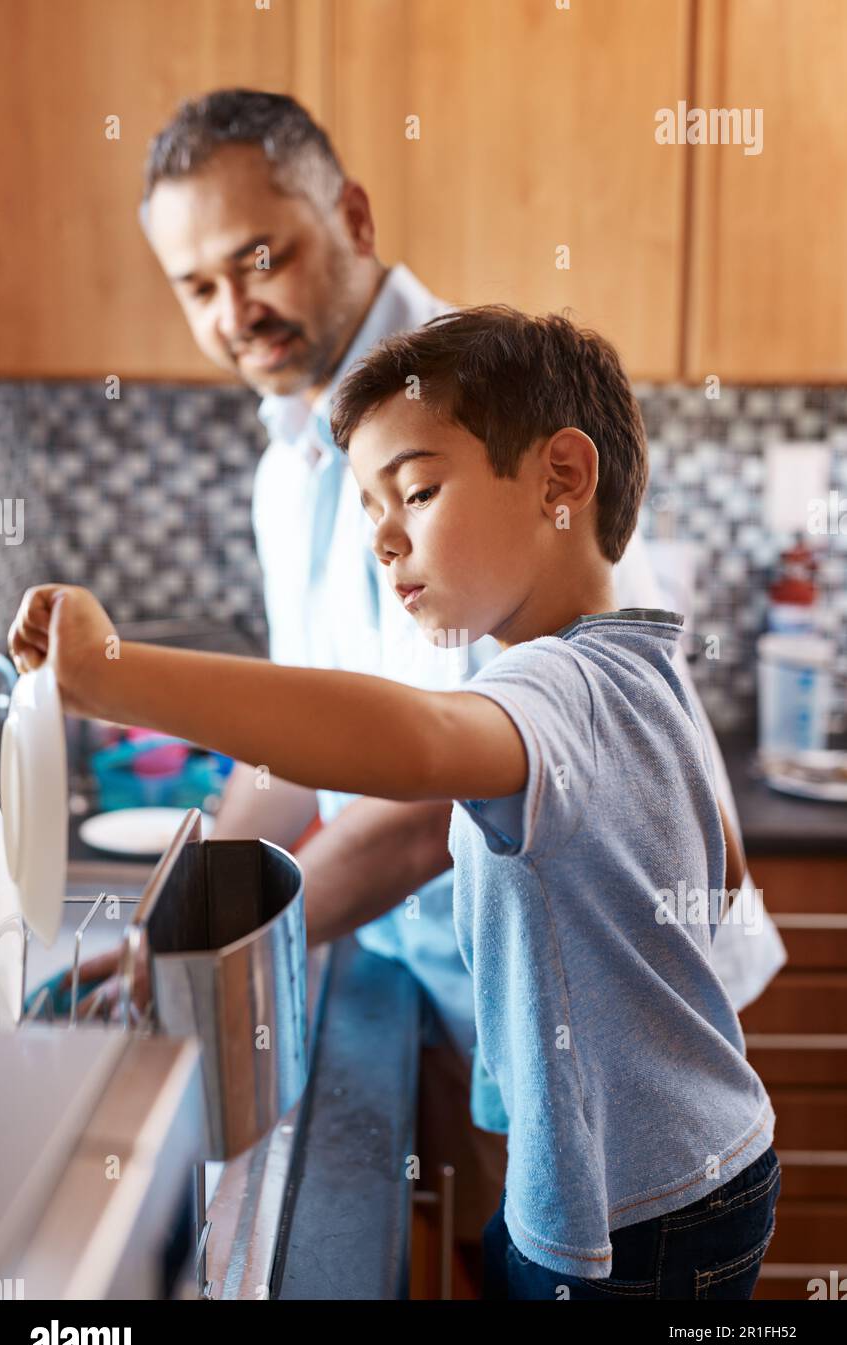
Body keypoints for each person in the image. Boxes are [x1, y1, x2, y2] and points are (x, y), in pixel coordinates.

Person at [79, 89, 784, 1268]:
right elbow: (303, 737)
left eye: (260, 257)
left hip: (614, 1035)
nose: (234, 310)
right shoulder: (303, 448)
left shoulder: (476, 425)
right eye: (196, 287)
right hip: (498, 999)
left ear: (351, 214)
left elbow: (408, 779)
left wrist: (114, 677)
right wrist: (185, 914)